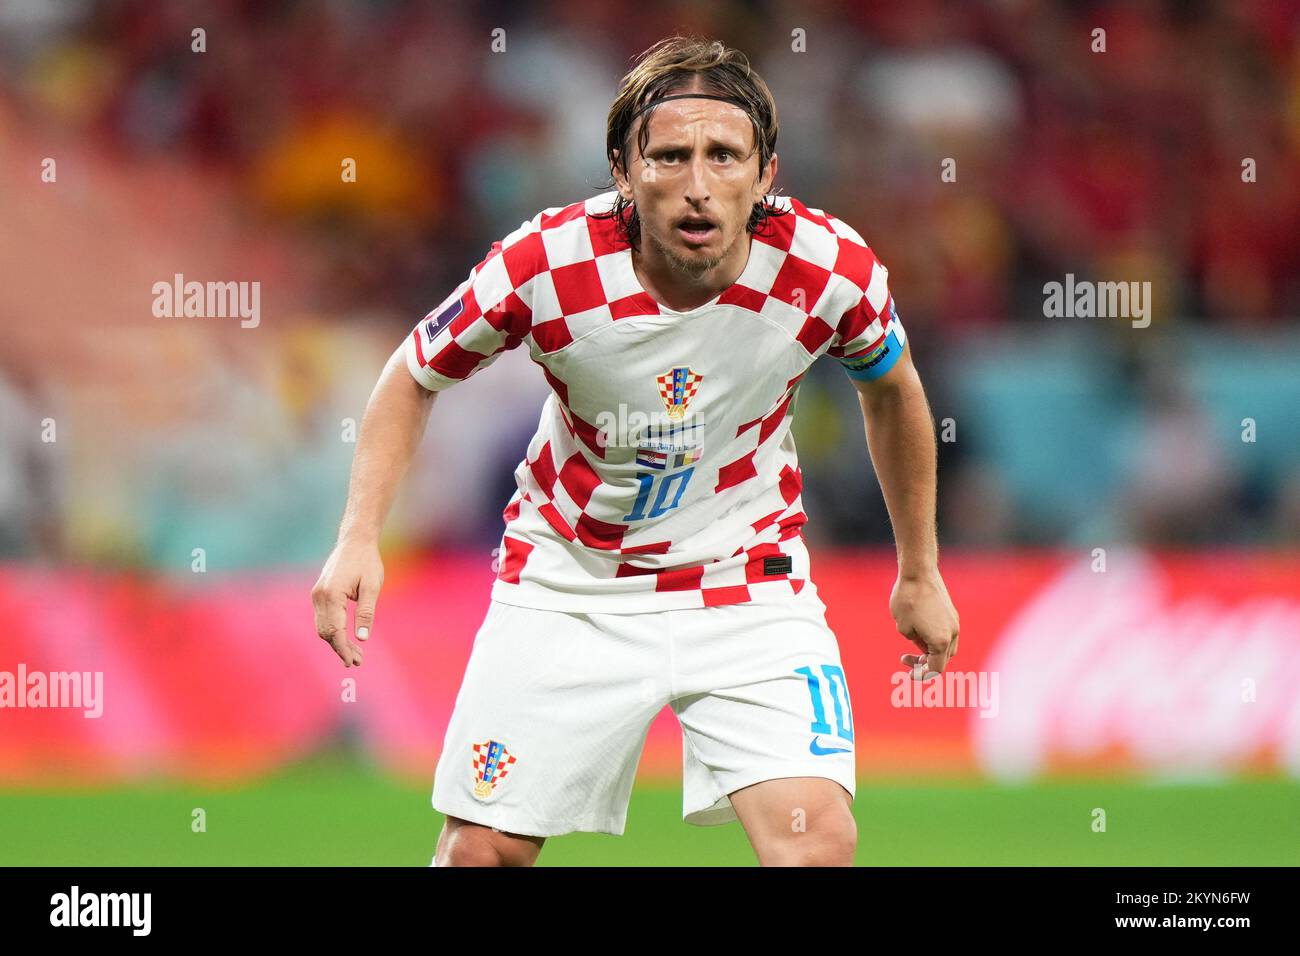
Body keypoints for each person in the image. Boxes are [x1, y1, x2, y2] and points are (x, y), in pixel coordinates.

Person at [311, 36, 959, 867]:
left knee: (817, 846)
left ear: (766, 176)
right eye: (670, 156)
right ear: (624, 169)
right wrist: (359, 534)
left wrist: (918, 569)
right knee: (481, 855)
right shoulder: (545, 264)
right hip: (571, 583)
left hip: (746, 583)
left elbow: (893, 390)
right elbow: (413, 373)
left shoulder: (825, 267)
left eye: (725, 156)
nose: (697, 186)